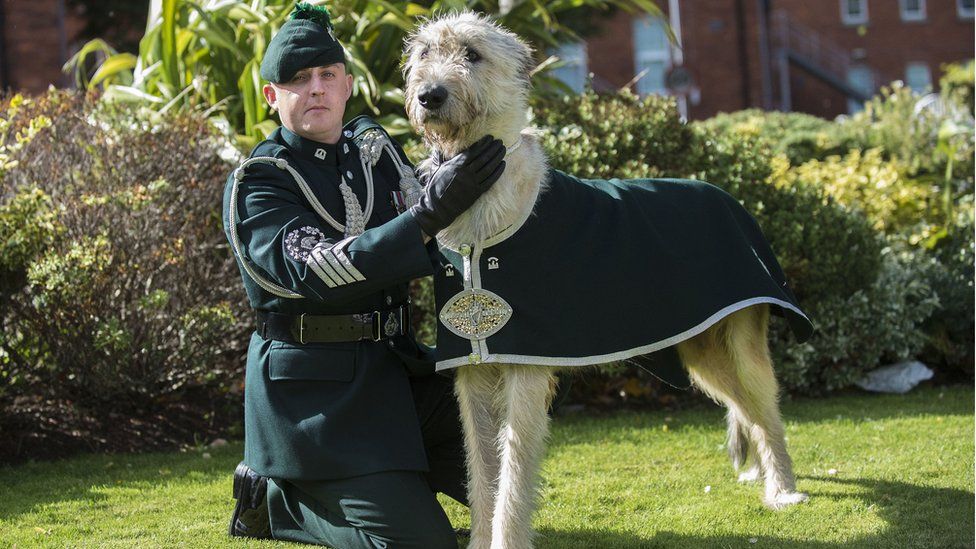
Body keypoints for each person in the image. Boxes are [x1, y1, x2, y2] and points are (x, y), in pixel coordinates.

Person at [221, 4, 505, 547]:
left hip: (393, 373)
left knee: (501, 450)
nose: (316, 89)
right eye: (298, 80)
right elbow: (320, 268)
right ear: (271, 96)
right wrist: (426, 216)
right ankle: (281, 503)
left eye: (327, 75)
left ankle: (392, 478)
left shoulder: (373, 152)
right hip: (317, 402)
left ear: (348, 85)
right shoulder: (259, 183)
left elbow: (431, 212)